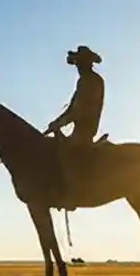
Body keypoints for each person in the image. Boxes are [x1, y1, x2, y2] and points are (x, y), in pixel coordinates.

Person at [45, 45, 105, 204]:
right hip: (80, 128)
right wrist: (56, 123)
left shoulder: (92, 81)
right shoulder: (84, 80)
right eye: (77, 63)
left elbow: (80, 109)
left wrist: (60, 123)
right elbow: (72, 107)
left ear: (86, 63)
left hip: (85, 129)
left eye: (80, 63)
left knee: (64, 154)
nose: (77, 66)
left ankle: (71, 193)